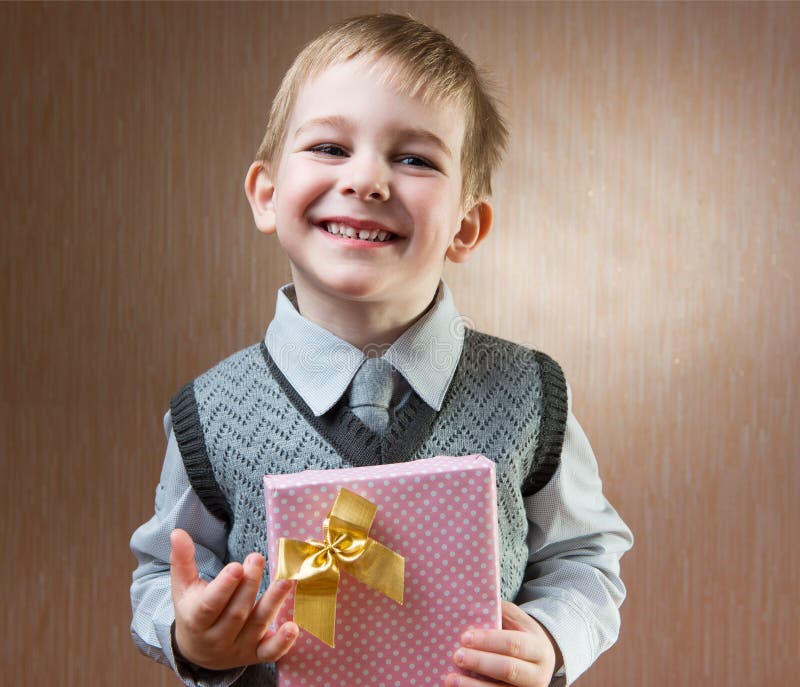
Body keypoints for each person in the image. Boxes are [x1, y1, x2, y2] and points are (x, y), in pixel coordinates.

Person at [130, 13, 633, 687]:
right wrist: (190, 632)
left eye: (415, 159)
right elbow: (163, 573)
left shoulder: (528, 392)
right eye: (331, 148)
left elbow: (585, 554)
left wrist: (549, 639)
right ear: (267, 196)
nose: (367, 180)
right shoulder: (211, 412)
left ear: (467, 226)